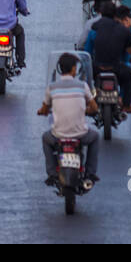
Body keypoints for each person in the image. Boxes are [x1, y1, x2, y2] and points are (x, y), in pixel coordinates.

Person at [38, 53, 100, 185]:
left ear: (60, 69)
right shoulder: (82, 86)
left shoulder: (52, 87)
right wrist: (85, 110)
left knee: (45, 138)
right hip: (80, 134)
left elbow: (44, 108)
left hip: (58, 135)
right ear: (73, 69)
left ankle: (52, 174)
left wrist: (42, 111)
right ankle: (90, 173)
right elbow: (94, 107)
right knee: (95, 137)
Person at [90, 4, 131, 113]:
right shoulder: (125, 30)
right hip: (115, 68)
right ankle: (127, 105)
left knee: (85, 74)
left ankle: (89, 100)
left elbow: (87, 49)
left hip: (97, 68)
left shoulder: (96, 26)